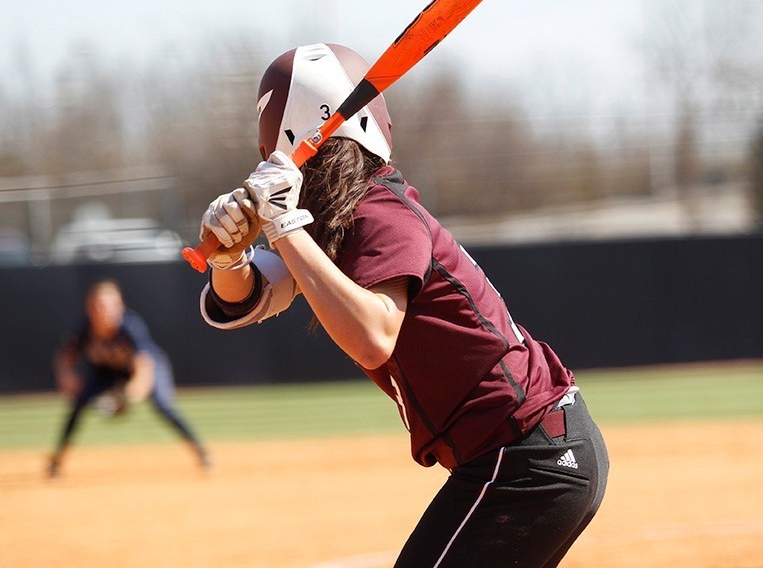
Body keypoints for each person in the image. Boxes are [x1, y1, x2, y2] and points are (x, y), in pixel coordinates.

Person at [197, 43, 609, 567]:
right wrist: (229, 259)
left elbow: (374, 336)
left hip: (529, 455)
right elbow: (249, 298)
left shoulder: (379, 211)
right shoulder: (336, 225)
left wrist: (283, 225)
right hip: (528, 453)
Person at [49, 277, 211, 477]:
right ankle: (57, 460)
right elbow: (65, 358)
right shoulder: (83, 329)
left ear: (120, 306)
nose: (103, 311)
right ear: (89, 308)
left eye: (108, 305)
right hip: (106, 372)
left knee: (163, 406)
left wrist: (129, 395)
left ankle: (201, 452)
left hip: (149, 368)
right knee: (78, 404)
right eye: (98, 305)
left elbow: (143, 367)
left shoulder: (130, 327)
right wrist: (66, 376)